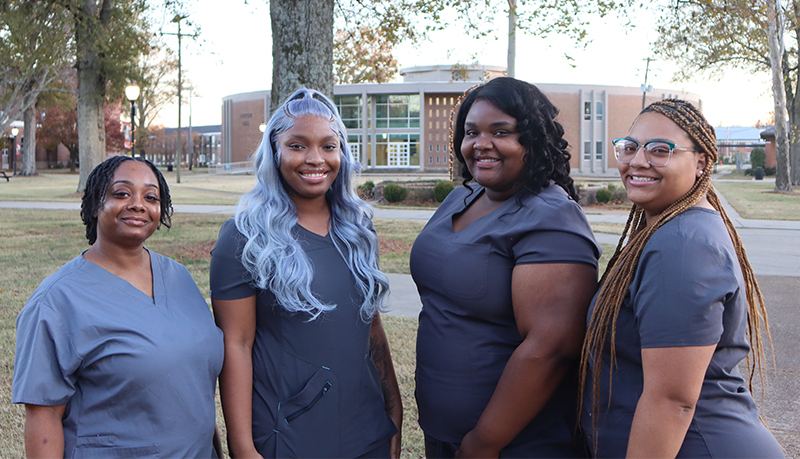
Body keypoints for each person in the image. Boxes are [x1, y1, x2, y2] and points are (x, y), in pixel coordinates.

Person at [579, 99, 784, 458]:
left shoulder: (684, 244)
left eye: (661, 150)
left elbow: (672, 402)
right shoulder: (668, 228)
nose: (638, 161)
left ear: (701, 161)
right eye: (630, 147)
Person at [411, 77, 601, 458]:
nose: (481, 144)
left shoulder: (550, 218)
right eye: (471, 132)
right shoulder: (463, 197)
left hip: (513, 443)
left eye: (501, 132)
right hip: (444, 432)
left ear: (531, 139)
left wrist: (484, 442)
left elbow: (550, 349)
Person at [210, 88, 402, 459]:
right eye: (298, 145)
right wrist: (243, 447)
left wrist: (393, 408)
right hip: (291, 436)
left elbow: (370, 324)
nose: (316, 159)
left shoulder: (358, 230)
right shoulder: (245, 237)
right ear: (274, 152)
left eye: (329, 146)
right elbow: (236, 345)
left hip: (366, 430)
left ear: (342, 154)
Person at [12, 156, 224, 458]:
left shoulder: (179, 278)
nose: (138, 204)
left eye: (151, 197)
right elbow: (43, 416)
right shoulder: (57, 302)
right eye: (121, 193)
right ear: (95, 204)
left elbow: (191, 385)